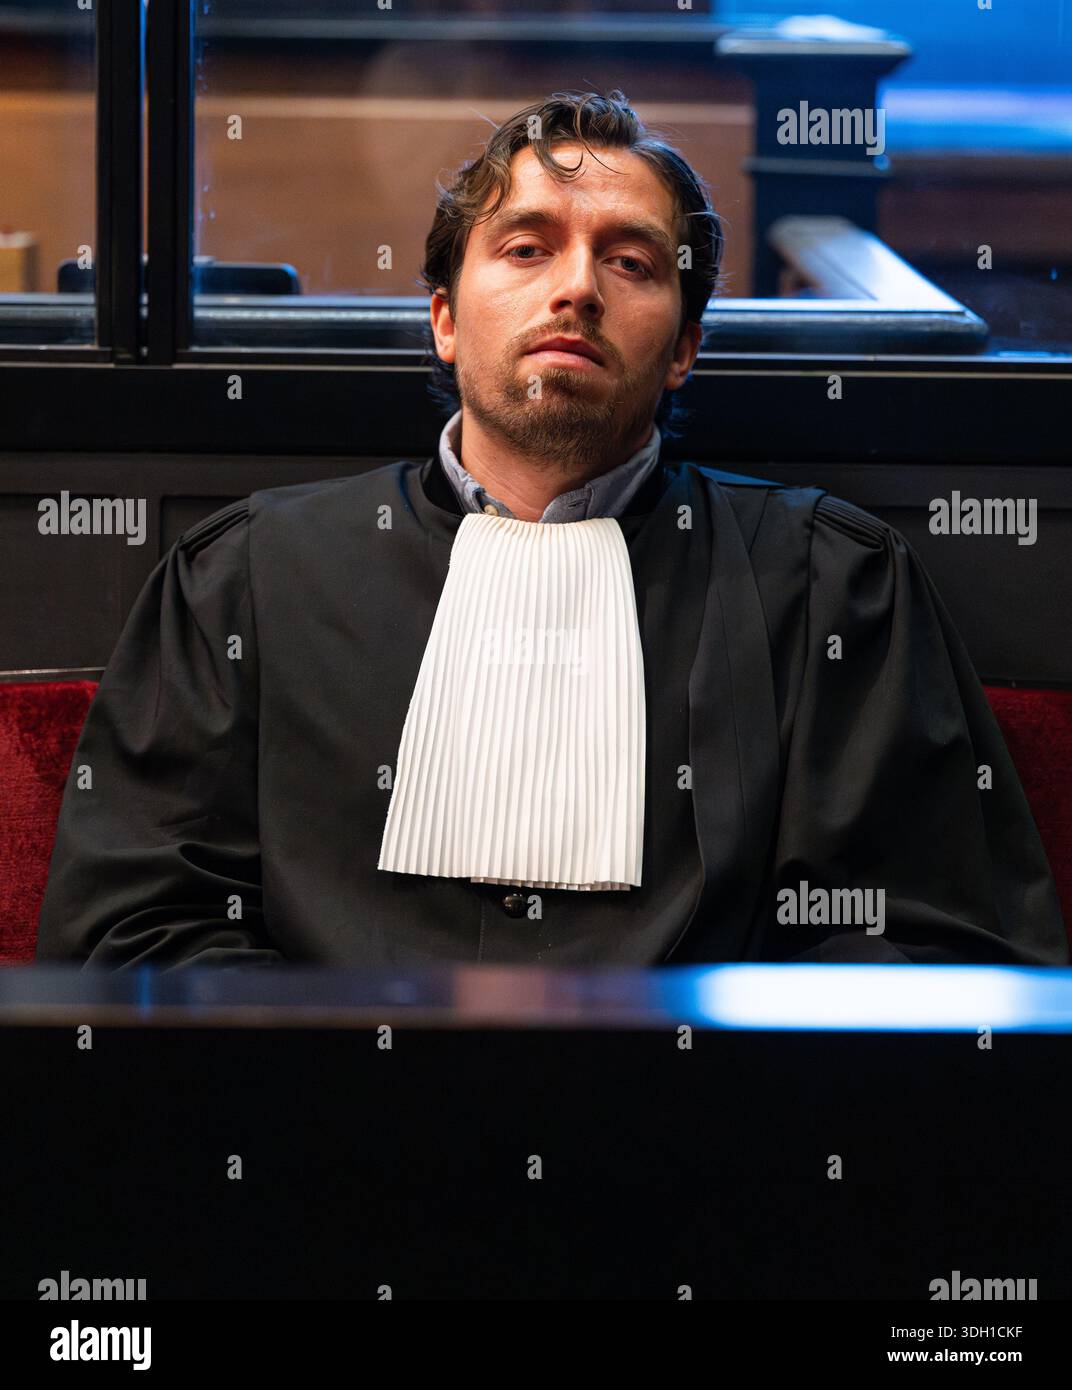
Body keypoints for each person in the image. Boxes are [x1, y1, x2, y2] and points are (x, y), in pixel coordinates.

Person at [35, 90, 1067, 969]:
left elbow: (925, 957)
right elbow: (133, 938)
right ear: (444, 318)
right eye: (526, 248)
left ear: (681, 351)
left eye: (630, 262)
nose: (575, 285)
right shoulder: (243, 580)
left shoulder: (833, 585)